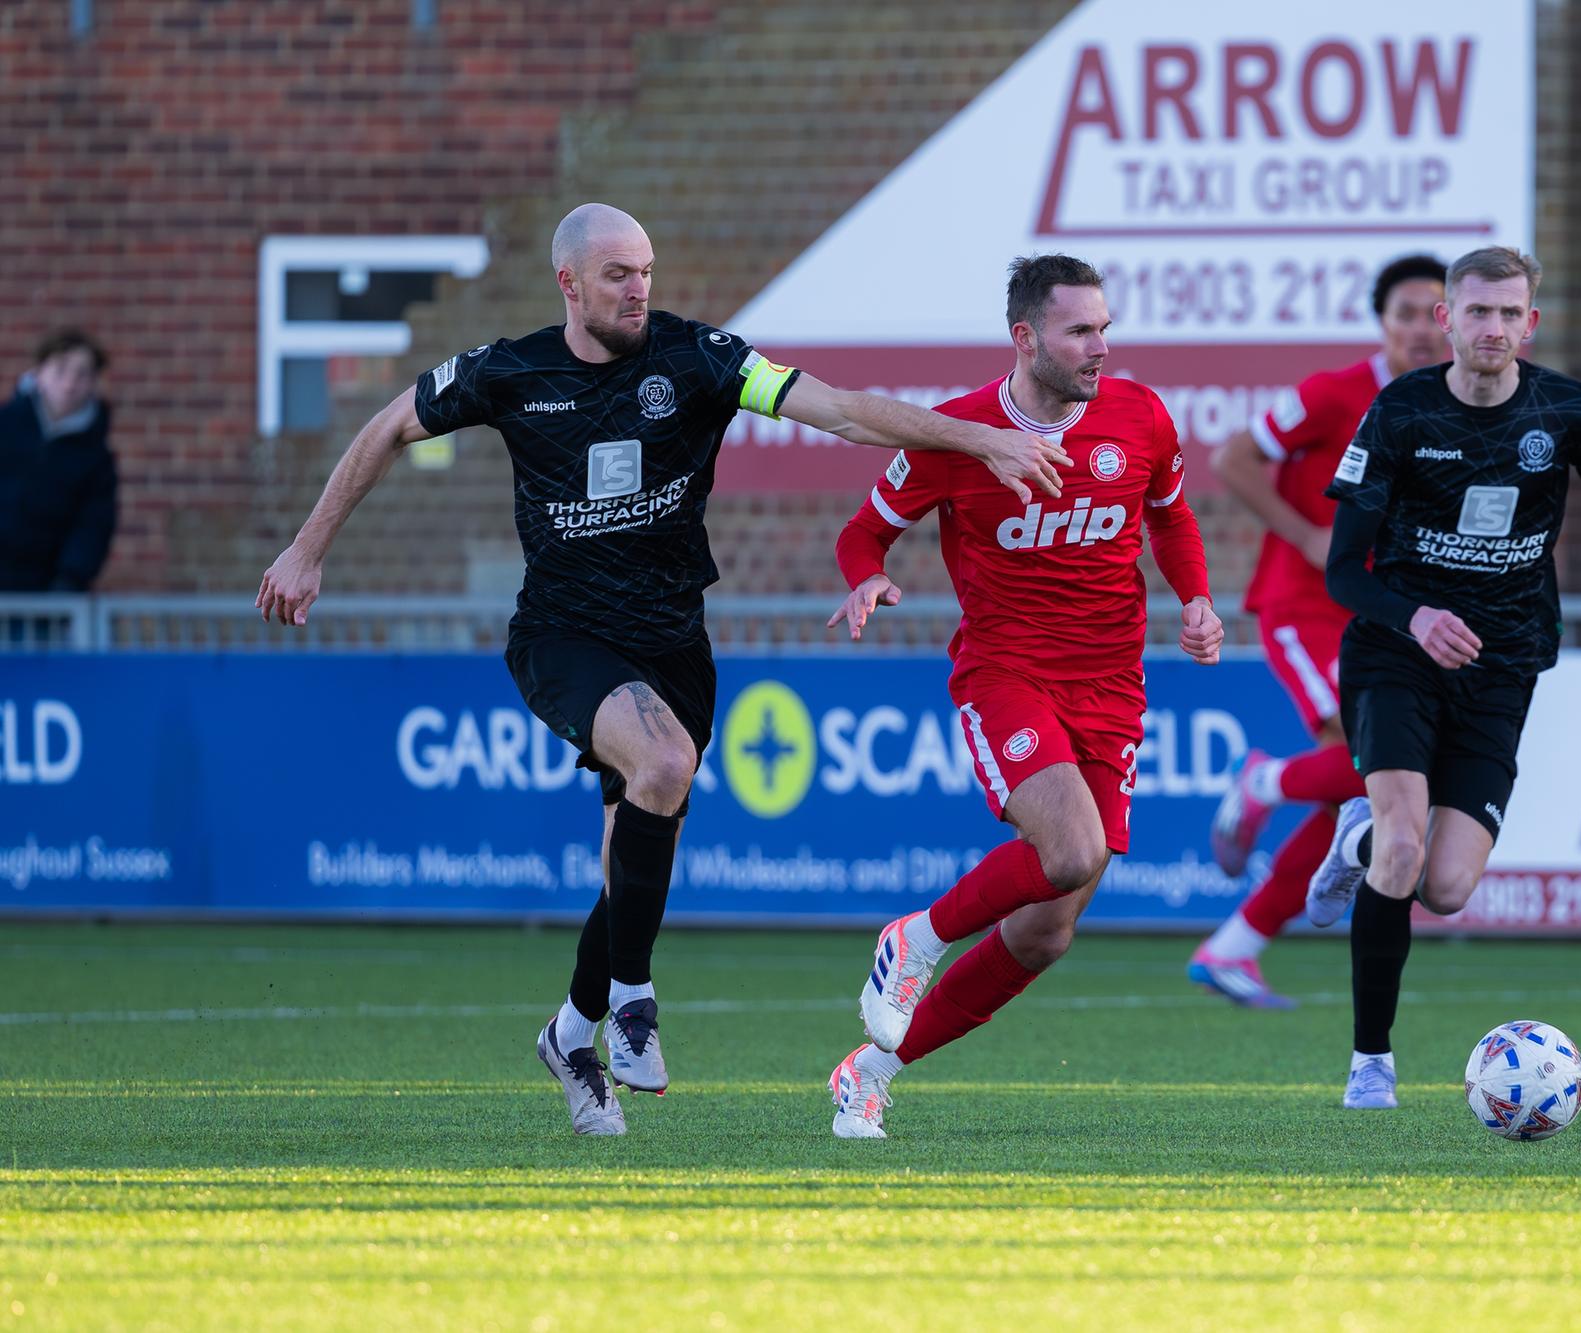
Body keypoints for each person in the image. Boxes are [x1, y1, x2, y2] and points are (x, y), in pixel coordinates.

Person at [255, 203, 1068, 1137]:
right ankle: (634, 1003)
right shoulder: (510, 371)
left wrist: (983, 437)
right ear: (569, 282)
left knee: (632, 864)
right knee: (666, 765)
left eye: (645, 270)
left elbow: (842, 410)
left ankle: (571, 1033)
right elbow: (391, 425)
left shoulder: (700, 359)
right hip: (562, 635)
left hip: (676, 645)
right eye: (617, 274)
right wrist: (308, 548)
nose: (639, 287)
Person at [822, 253, 1222, 1139]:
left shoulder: (1141, 416)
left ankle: (871, 1072)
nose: (1100, 347)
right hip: (1008, 673)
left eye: (1106, 328)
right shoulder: (958, 433)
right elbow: (865, 531)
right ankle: (914, 938)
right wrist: (868, 579)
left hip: (1114, 685)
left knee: (1047, 931)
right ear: (1025, 336)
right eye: (1081, 331)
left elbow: (1169, 512)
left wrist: (1194, 596)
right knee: (1072, 849)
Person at [1307, 245, 1581, 1110]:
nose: (1492, 327)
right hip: (1398, 655)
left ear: (1529, 323)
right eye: (1477, 312)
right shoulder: (1401, 413)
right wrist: (1415, 616)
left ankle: (1352, 839)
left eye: (1509, 313)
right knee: (1402, 846)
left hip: (1504, 665)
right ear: (1446, 321)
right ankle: (1370, 1065)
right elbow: (1344, 570)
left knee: (1448, 886)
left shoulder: (1567, 409)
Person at [1192, 256, 1451, 1009]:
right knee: (1372, 767)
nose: (1420, 327)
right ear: (1383, 321)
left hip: (1378, 615)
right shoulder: (1333, 394)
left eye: (1436, 312)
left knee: (1363, 795)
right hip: (1304, 606)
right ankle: (1261, 781)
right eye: (1406, 311)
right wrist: (1307, 535)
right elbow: (1233, 457)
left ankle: (1233, 947)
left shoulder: (1448, 409)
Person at [0, 331, 117, 593]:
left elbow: (94, 526)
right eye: (60, 369)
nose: (69, 383)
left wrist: (70, 580)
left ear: (92, 383)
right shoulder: (5, 427)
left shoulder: (96, 457)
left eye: (82, 374)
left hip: (44, 599)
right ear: (39, 373)